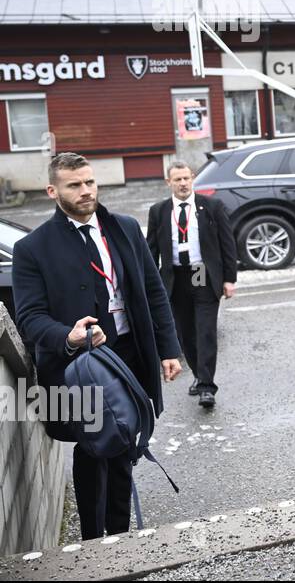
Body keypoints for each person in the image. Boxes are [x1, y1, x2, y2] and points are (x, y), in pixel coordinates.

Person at [12, 152, 183, 539]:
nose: (86, 191)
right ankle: (92, 543)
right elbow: (30, 318)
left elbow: (153, 292)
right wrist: (67, 336)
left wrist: (169, 349)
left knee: (124, 448)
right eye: (75, 185)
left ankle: (120, 537)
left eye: (89, 182)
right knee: (92, 451)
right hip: (79, 367)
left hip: (128, 357)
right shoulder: (32, 249)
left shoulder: (123, 227)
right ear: (53, 191)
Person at [146, 161, 237, 408]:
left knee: (205, 330)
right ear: (169, 183)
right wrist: (150, 285)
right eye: (178, 180)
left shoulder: (212, 207)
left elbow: (227, 245)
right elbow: (150, 252)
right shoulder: (159, 211)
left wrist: (230, 279)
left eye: (186, 178)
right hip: (176, 276)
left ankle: (207, 386)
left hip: (201, 272)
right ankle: (199, 375)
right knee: (186, 334)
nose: (183, 183)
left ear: (193, 178)